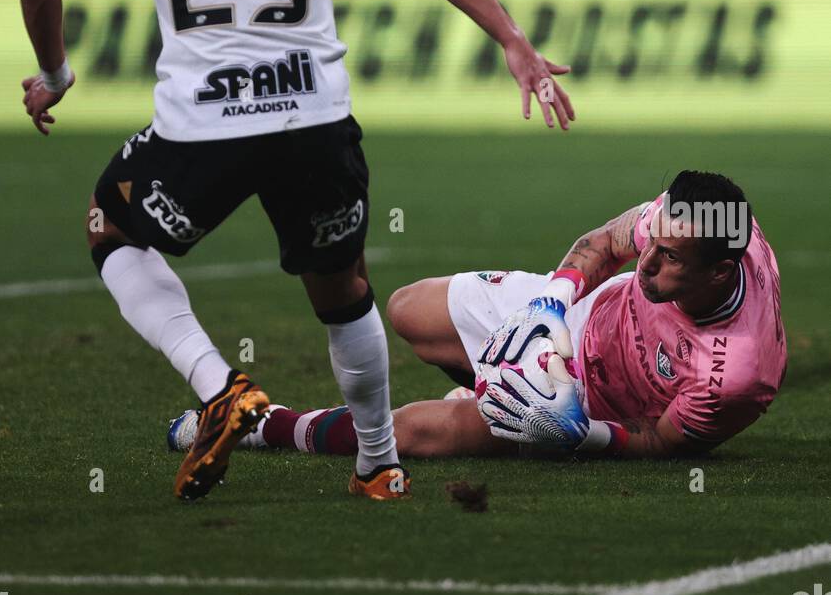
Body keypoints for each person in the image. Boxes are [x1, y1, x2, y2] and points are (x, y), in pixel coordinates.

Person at [17, 0, 574, 505]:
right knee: (342, 286)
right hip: (312, 115)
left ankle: (220, 387)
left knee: (111, 225)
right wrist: (511, 40)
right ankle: (379, 465)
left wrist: (58, 74)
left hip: (200, 125)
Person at [169, 171, 786, 464]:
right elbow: (602, 246)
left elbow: (663, 443)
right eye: (652, 244)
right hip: (579, 317)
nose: (646, 262)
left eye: (669, 259)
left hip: (592, 404)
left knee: (410, 434)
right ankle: (497, 379)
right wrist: (550, 306)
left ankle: (260, 424)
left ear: (719, 274)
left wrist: (578, 432)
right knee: (407, 310)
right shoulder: (696, 219)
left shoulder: (736, 375)